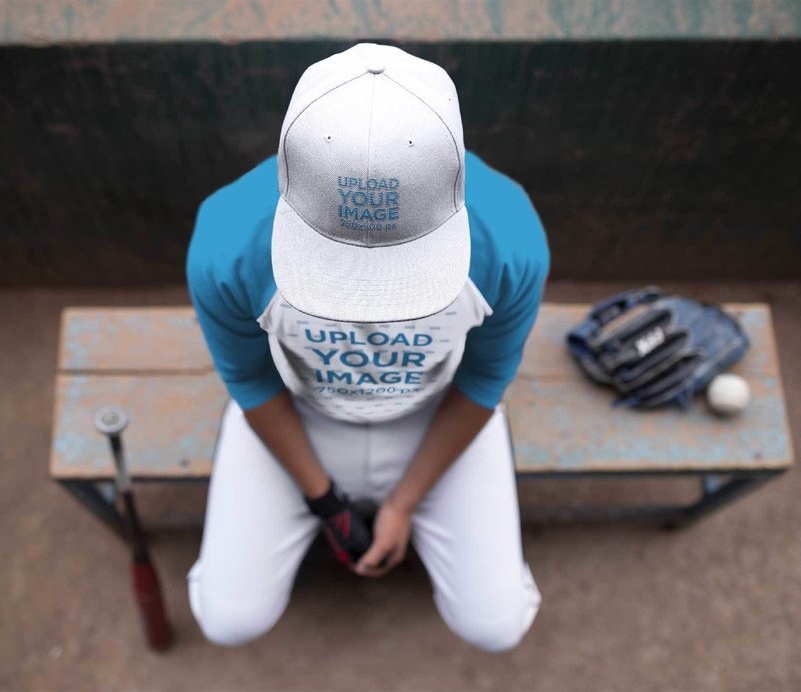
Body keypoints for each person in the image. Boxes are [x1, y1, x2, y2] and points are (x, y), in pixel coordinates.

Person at [185, 42, 549, 653]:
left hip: (435, 413)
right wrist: (327, 503)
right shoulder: (227, 238)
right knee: (228, 621)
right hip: (299, 411)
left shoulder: (510, 236)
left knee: (496, 626)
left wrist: (404, 504)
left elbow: (484, 381)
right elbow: (249, 380)